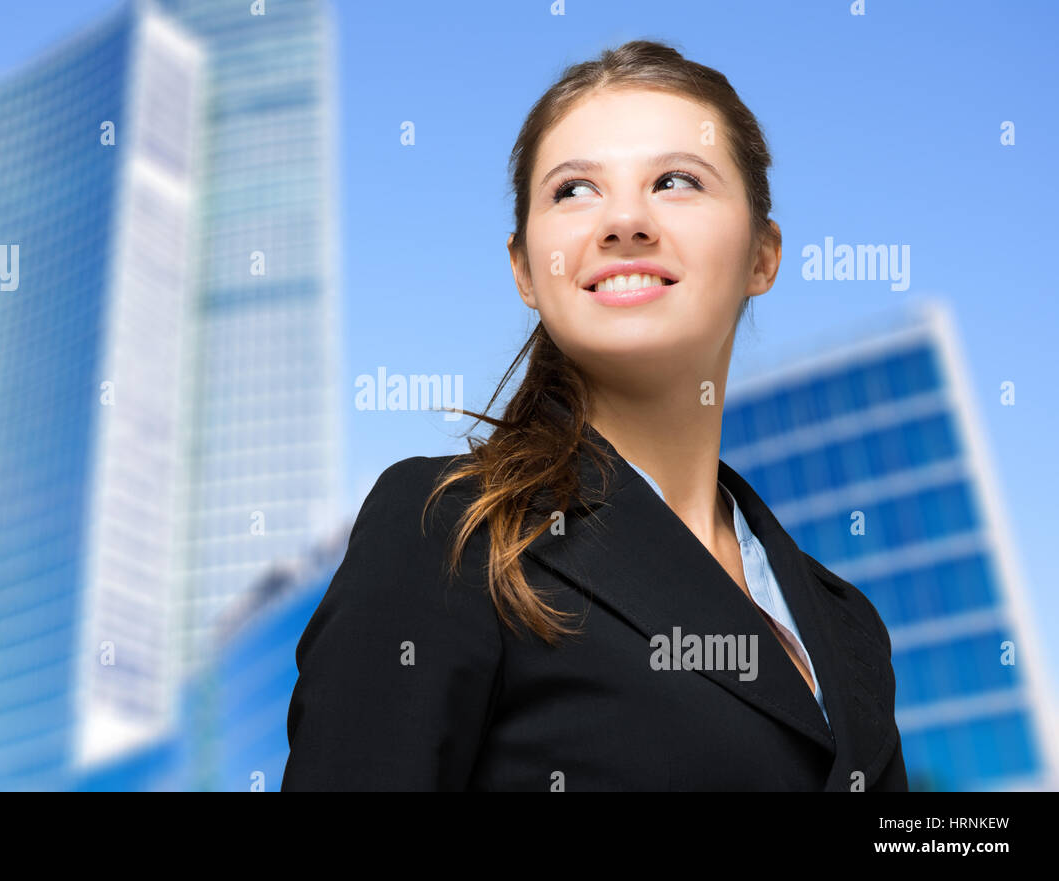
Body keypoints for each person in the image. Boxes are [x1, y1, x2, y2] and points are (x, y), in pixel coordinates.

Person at [282, 40, 907, 791]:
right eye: (574, 190)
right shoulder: (450, 527)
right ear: (524, 269)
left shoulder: (848, 624)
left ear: (762, 256)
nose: (624, 222)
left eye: (676, 180)